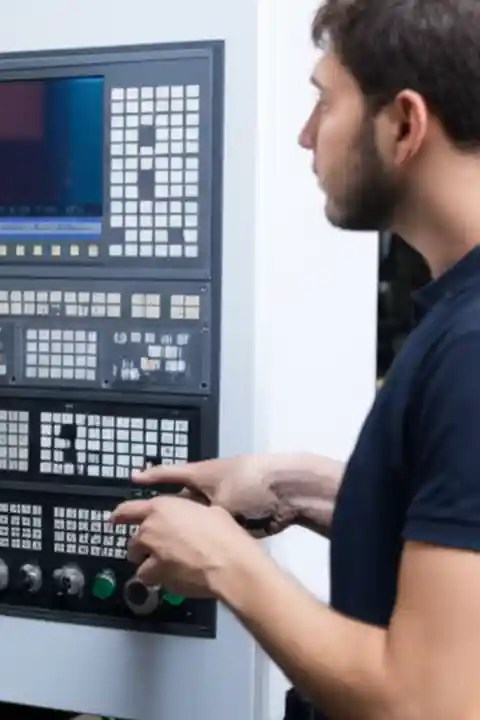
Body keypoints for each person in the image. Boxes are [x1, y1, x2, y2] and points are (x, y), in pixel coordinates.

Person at [109, 1, 480, 719]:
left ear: (404, 124)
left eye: (324, 101)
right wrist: (300, 486)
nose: (304, 135)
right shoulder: (456, 315)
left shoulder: (471, 349)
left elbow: (431, 704)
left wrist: (227, 563)